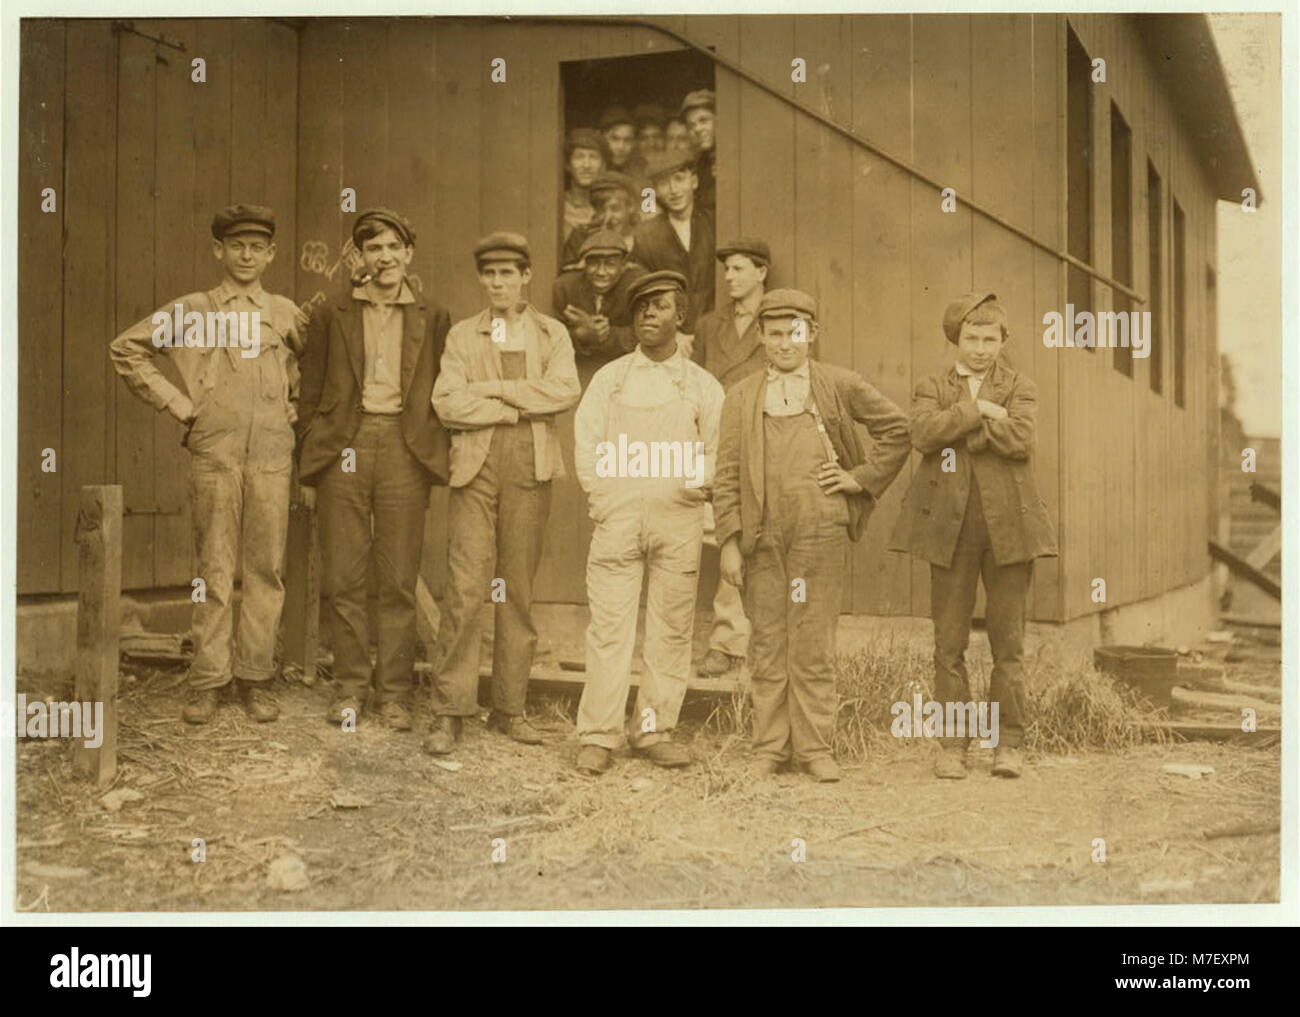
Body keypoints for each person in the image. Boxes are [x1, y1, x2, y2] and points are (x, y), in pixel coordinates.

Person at [110, 203, 306, 725]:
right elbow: (125, 349)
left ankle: (256, 677)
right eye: (235, 245)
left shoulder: (286, 313)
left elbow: (318, 369)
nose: (246, 255)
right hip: (214, 452)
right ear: (218, 250)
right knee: (213, 570)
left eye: (257, 246)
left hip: (270, 454)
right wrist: (180, 405)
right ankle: (208, 680)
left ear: (271, 253)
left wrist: (294, 404)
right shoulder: (194, 310)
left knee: (266, 569)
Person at [714, 289, 910, 782]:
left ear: (812, 334)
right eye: (775, 333)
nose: (784, 343)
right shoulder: (740, 397)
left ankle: (816, 748)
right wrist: (730, 542)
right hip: (762, 533)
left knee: (813, 638)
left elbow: (898, 430)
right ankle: (769, 748)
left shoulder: (837, 385)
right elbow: (727, 473)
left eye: (795, 332)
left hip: (819, 529)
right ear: (760, 336)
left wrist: (859, 478)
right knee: (767, 640)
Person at [889, 293, 1057, 780]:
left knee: (1009, 644)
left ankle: (1009, 744)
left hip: (1010, 531)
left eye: (990, 339)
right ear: (955, 340)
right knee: (949, 642)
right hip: (950, 531)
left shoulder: (1022, 386)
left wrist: (963, 427)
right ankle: (952, 746)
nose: (981, 348)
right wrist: (981, 410)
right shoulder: (931, 385)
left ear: (1004, 342)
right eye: (971, 339)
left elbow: (1021, 440)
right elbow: (921, 434)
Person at [426, 232, 581, 754]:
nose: (498, 283)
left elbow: (563, 390)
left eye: (508, 274)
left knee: (515, 588)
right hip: (476, 466)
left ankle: (509, 708)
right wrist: (513, 407)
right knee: (468, 586)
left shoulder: (550, 332)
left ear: (526, 277)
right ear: (482, 280)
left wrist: (489, 390)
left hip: (530, 467)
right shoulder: (463, 336)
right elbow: (447, 402)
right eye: (489, 275)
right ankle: (451, 710)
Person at [297, 207, 450, 730]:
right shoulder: (332, 313)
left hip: (405, 449)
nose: (383, 257)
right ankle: (350, 687)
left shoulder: (433, 316)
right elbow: (310, 391)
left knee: (398, 578)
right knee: (344, 575)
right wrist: (313, 450)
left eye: (393, 247)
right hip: (347, 443)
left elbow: (438, 392)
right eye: (373, 248)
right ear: (359, 257)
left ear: (408, 254)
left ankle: (395, 693)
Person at [572, 271, 724, 776]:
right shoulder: (610, 380)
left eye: (659, 306)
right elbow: (588, 446)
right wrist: (605, 498)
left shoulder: (703, 387)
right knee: (609, 627)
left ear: (681, 317)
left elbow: (718, 455)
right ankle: (599, 733)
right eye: (639, 307)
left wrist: (688, 487)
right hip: (618, 519)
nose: (647, 315)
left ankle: (653, 729)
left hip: (677, 520)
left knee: (671, 628)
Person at [691, 238, 773, 678]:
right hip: (715, 439)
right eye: (726, 270)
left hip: (763, 436)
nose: (730, 277)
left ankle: (760, 640)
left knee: (757, 534)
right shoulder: (709, 325)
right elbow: (694, 382)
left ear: (762, 272)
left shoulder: (779, 320)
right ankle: (725, 641)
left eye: (740, 268)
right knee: (720, 532)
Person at [631, 149, 715, 332]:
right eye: (663, 183)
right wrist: (675, 333)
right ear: (655, 191)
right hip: (669, 335)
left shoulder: (715, 224)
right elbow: (643, 295)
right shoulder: (646, 236)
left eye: (679, 179)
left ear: (694, 181)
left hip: (714, 333)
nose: (673, 190)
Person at [552, 229, 645, 362]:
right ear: (585, 264)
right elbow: (552, 337)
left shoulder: (637, 285)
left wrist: (606, 335)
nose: (601, 272)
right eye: (594, 263)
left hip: (627, 366)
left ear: (623, 265)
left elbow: (647, 333)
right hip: (581, 368)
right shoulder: (565, 287)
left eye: (610, 264)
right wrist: (579, 335)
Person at [560, 170, 638, 270]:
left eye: (615, 209)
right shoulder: (580, 238)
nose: (608, 217)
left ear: (630, 207)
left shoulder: (643, 241)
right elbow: (566, 278)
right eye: (601, 211)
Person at [562, 128, 606, 246]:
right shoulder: (558, 206)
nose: (586, 165)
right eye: (579, 157)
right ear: (568, 164)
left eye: (593, 157)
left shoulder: (608, 208)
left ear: (603, 165)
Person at [680, 89, 716, 212]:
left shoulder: (738, 155)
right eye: (691, 125)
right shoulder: (700, 162)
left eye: (704, 120)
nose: (697, 129)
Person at [600, 105, 646, 179]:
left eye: (627, 140)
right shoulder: (592, 172)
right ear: (602, 138)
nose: (621, 147)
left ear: (634, 143)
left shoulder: (640, 173)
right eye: (614, 139)